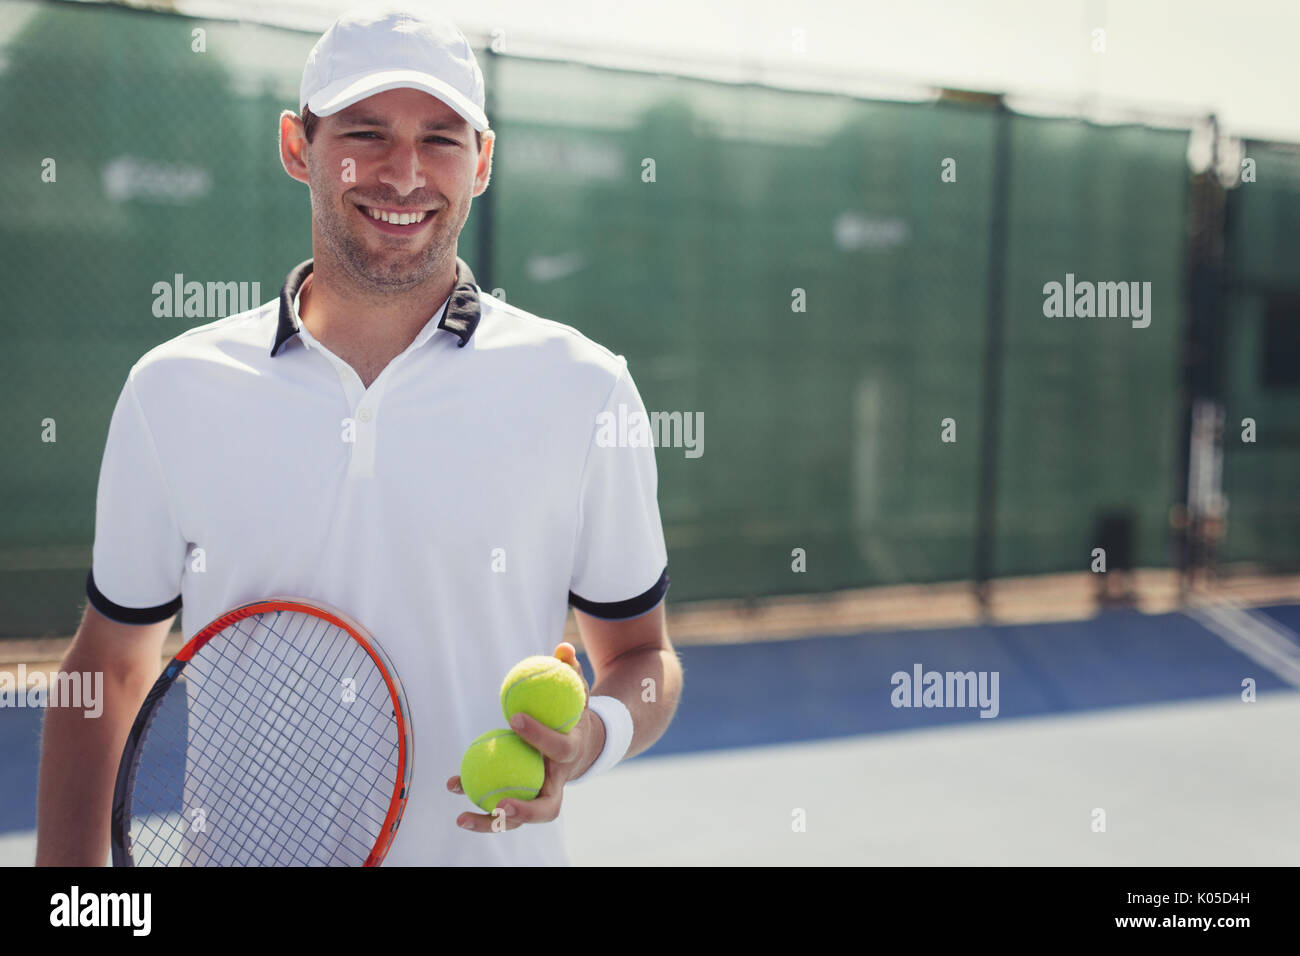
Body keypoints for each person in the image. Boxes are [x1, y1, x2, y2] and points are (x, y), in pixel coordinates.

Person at [36, 3, 681, 866]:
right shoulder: (172, 390)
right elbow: (107, 670)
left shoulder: (587, 389)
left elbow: (643, 656)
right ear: (297, 148)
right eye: (366, 132)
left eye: (442, 139)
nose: (404, 173)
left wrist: (592, 736)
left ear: (482, 162)